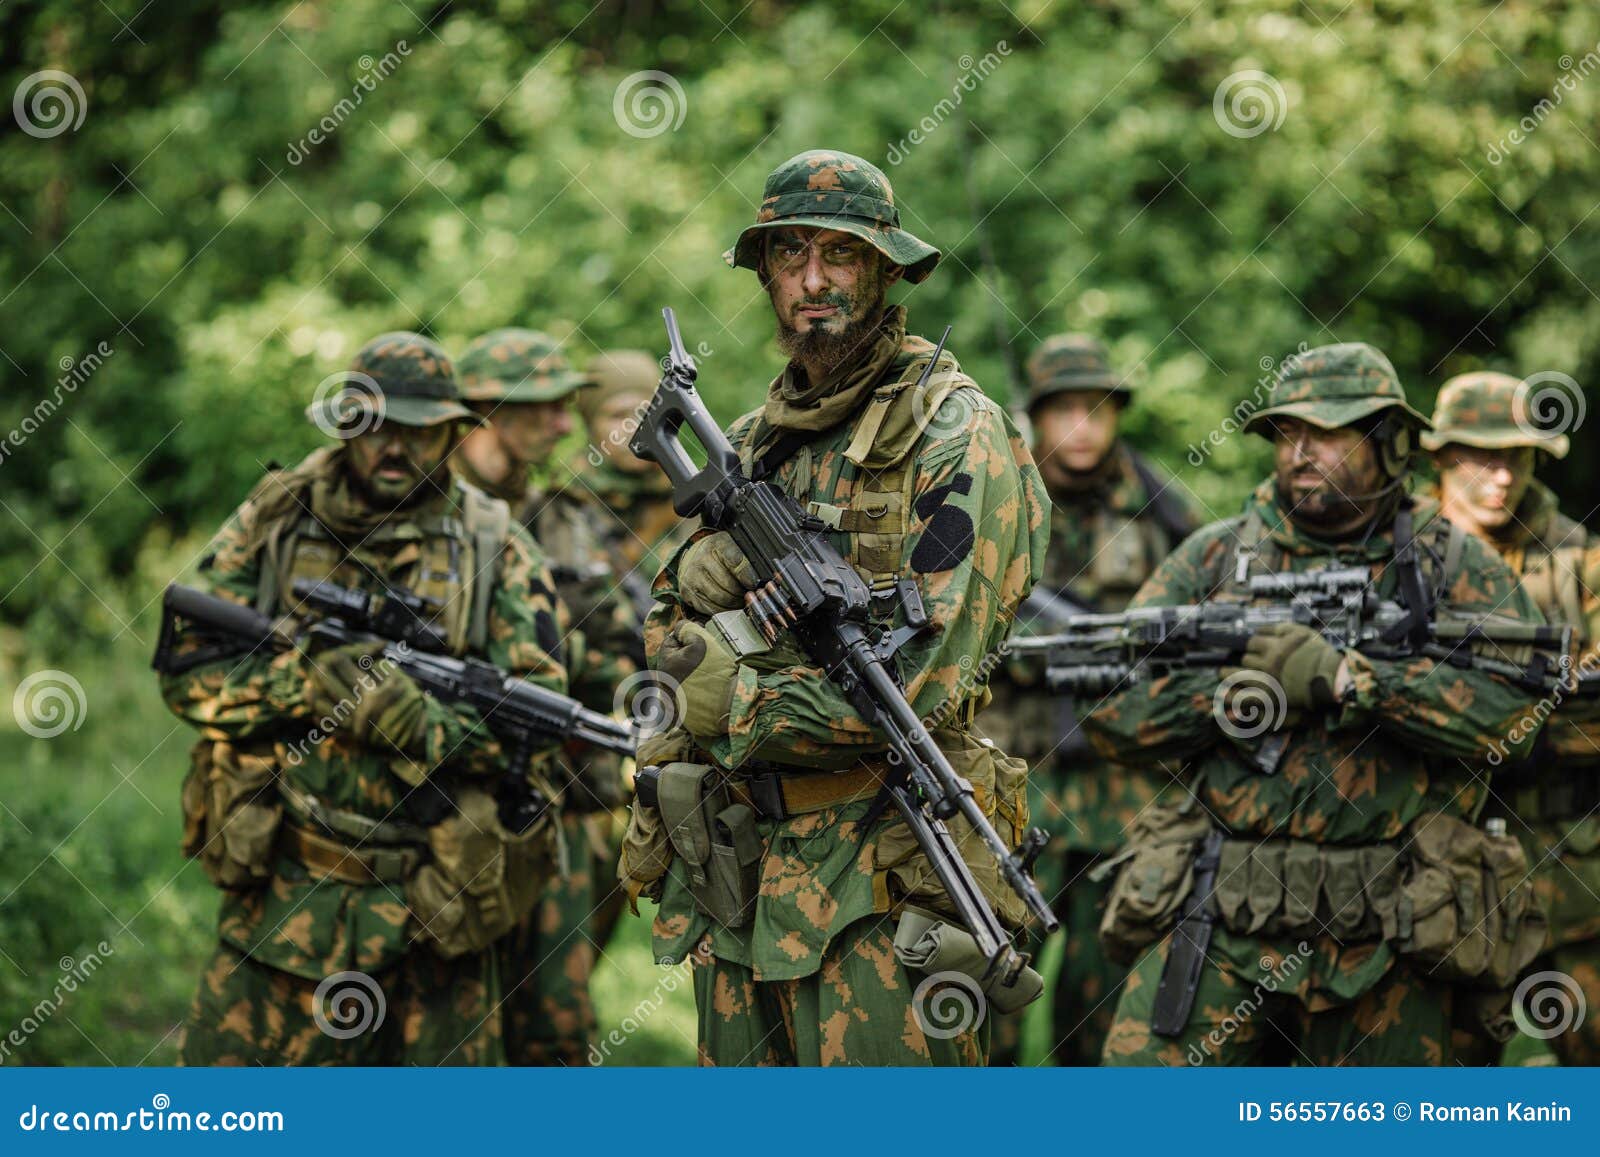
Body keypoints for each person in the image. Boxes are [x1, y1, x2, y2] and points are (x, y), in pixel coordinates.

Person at [617, 148, 1049, 1066]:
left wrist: (725, 689)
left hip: (881, 881)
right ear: (767, 272)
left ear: (887, 268)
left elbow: (920, 685)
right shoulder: (749, 442)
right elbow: (662, 629)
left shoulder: (955, 433)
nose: (813, 280)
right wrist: (711, 601)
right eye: (790, 255)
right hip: (739, 878)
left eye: (840, 255)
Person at [1088, 343, 1550, 1065]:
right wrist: (1235, 694)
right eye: (1286, 433)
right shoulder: (1214, 559)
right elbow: (1111, 711)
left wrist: (1353, 683)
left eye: (1327, 432)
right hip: (1222, 915)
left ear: (1391, 442)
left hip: (1394, 926)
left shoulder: (1449, 562)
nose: (1300, 451)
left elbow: (1517, 717)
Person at [163, 333, 568, 1065]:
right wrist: (308, 685)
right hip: (282, 901)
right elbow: (187, 673)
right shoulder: (278, 518)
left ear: (452, 430)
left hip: (433, 914)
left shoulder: (494, 545)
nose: (393, 446)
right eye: (375, 424)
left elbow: (536, 725)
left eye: (416, 429)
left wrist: (421, 725)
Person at [980, 334, 1199, 1066]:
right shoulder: (998, 497)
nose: (1081, 428)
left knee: (1101, 995)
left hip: (1121, 795)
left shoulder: (1161, 505)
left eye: (1096, 411)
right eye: (1064, 411)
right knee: (992, 981)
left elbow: (1206, 618)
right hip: (1012, 790)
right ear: (1035, 417)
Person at [454, 327, 641, 1065]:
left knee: (556, 1026)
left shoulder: (568, 522)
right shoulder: (423, 513)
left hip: (557, 807)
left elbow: (627, 652)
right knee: (444, 1025)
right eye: (548, 408)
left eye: (571, 407)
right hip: (440, 811)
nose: (567, 425)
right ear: (488, 409)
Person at [1424, 370, 1600, 1064]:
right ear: (1440, 455)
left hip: (1566, 866)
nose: (1501, 475)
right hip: (1443, 875)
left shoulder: (1577, 558)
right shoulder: (1400, 555)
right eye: (1482, 454)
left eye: (1518, 455)